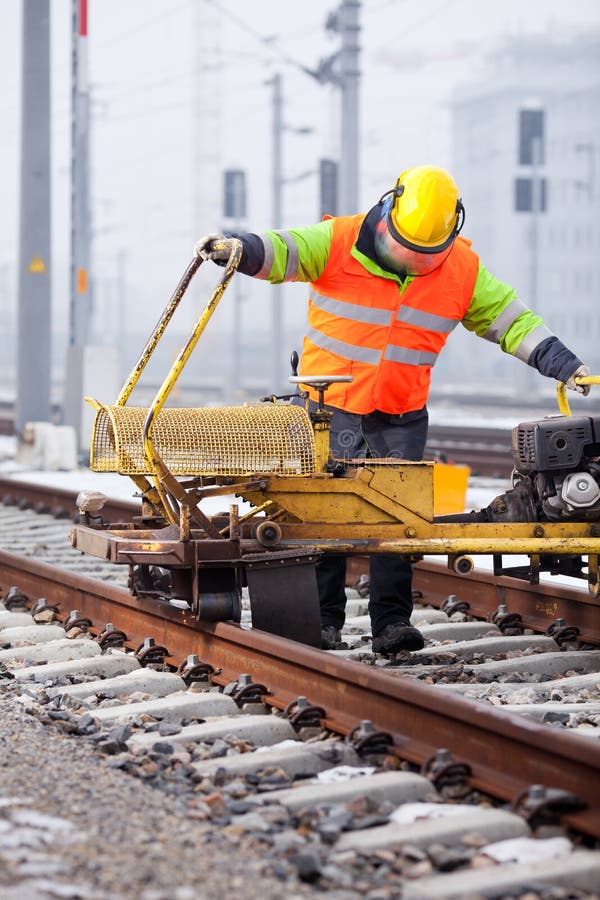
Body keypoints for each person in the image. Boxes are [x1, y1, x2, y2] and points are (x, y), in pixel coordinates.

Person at [194, 165, 590, 654]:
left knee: (397, 525)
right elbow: (285, 250)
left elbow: (510, 320)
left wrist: (564, 364)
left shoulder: (462, 271)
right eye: (403, 245)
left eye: (426, 254)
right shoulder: (338, 241)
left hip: (400, 414)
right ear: (387, 213)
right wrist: (240, 249)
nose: (412, 259)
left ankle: (390, 625)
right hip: (327, 408)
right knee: (323, 519)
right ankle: (321, 622)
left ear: (450, 236)